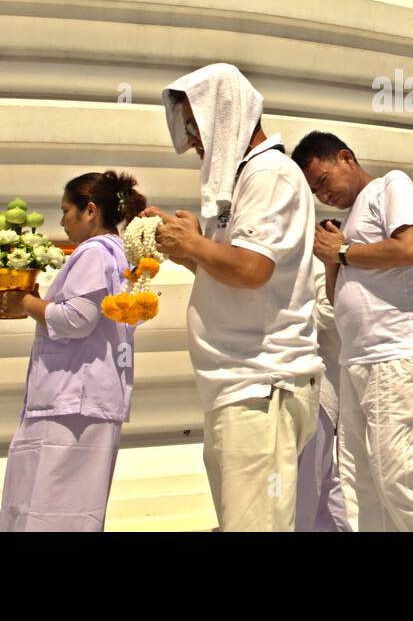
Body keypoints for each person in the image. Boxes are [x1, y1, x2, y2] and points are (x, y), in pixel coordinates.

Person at [145, 63, 323, 531]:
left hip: (260, 387)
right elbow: (226, 267)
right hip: (237, 387)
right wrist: (180, 243)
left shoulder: (270, 176)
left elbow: (251, 269)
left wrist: (195, 244)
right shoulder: (245, 180)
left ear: (224, 114)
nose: (193, 141)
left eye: (195, 125)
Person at [293, 131, 413, 532]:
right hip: (355, 360)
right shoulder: (349, 219)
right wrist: (332, 259)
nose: (323, 193)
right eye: (314, 190)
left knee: (399, 480)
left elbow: (409, 249)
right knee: (361, 484)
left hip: (393, 355)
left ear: (346, 158)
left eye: (323, 180)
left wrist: (342, 251)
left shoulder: (392, 184)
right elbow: (338, 303)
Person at [0, 171, 145, 531]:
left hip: (72, 403)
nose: (61, 221)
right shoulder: (115, 253)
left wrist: (25, 302)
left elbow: (78, 319)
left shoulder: (94, 252)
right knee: (65, 509)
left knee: (52, 509)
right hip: (83, 400)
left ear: (90, 211)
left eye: (66, 211)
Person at [295, 257, 351, 531]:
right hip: (314, 390)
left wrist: (288, 314)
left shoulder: (316, 266)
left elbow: (329, 312)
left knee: (309, 482)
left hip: (319, 392)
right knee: (323, 481)